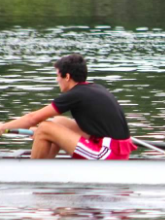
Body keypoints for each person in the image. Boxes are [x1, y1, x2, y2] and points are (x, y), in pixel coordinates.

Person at [0, 53, 136, 160]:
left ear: (67, 77)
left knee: (45, 128)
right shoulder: (94, 88)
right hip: (116, 149)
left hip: (107, 155)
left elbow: (32, 118)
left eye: (57, 75)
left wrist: (2, 128)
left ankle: (33, 172)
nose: (56, 80)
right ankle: (46, 163)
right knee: (59, 122)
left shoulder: (75, 94)